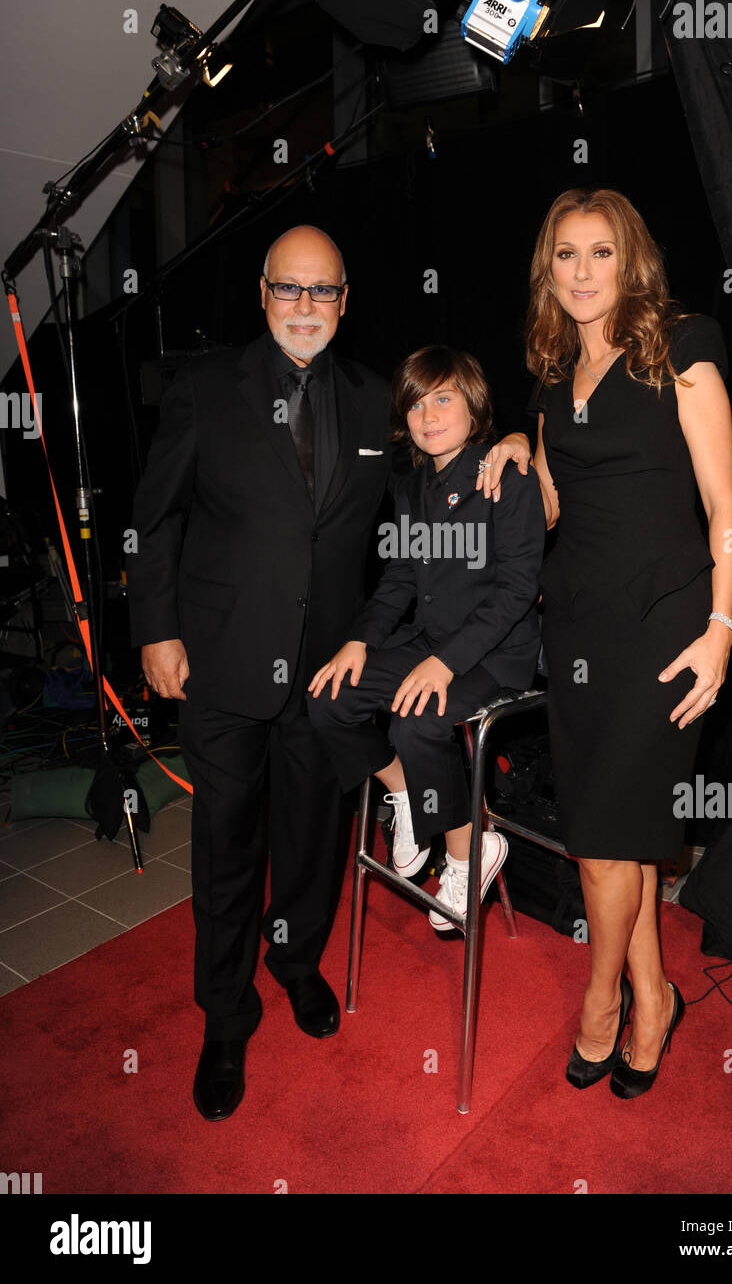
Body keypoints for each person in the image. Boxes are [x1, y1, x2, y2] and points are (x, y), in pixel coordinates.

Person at [476, 187, 732, 1098]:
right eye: (565, 255)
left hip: (667, 626)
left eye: (599, 253)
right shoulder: (553, 374)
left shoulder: (683, 343)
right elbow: (554, 503)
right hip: (579, 625)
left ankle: (605, 1002)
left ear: (629, 261)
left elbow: (726, 508)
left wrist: (722, 630)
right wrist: (518, 440)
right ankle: (655, 995)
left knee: (602, 843)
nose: (582, 272)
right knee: (615, 836)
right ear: (546, 269)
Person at [125, 225, 392, 1120]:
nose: (306, 308)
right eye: (290, 290)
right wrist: (156, 632)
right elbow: (154, 523)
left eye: (324, 292)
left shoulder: (371, 399)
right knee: (227, 850)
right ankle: (226, 1017)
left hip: (327, 677)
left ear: (346, 300)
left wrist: (510, 447)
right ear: (263, 294)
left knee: (315, 843)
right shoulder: (205, 389)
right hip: (225, 665)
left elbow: (423, 498)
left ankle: (296, 964)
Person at [307, 345, 545, 928]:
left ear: (475, 406)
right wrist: (360, 639)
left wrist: (444, 661)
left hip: (497, 655)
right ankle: (411, 794)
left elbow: (517, 592)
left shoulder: (505, 475)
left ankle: (469, 851)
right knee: (327, 697)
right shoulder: (411, 488)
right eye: (416, 404)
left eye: (443, 399)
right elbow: (400, 577)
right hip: (432, 639)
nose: (429, 415)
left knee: (418, 717)